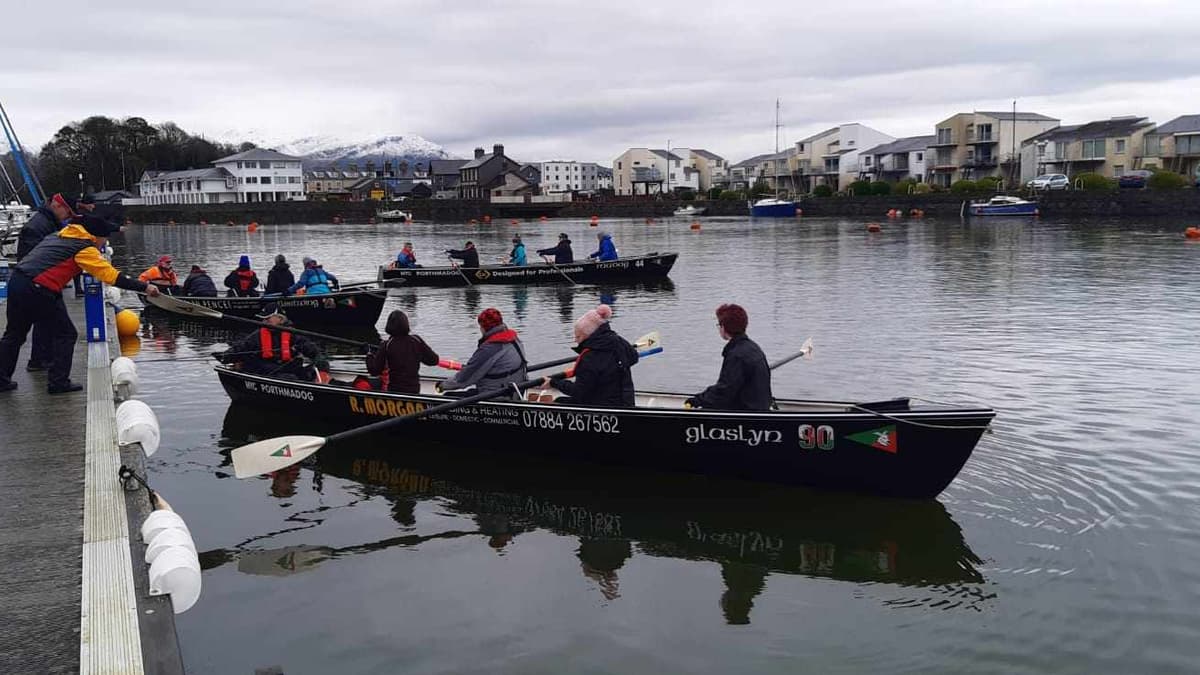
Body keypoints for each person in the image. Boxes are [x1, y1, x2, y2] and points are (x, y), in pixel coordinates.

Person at [0, 214, 160, 394]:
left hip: (18, 281)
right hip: (39, 288)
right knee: (66, 334)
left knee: (14, 334)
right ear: (97, 236)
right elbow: (112, 277)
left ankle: (2, 379)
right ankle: (58, 382)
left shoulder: (62, 235)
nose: (103, 244)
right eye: (104, 239)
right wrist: (145, 287)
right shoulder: (84, 247)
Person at [14, 193, 76, 372]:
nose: (68, 217)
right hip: (35, 281)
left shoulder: (47, 222)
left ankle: (40, 360)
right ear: (57, 205)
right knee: (18, 332)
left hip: (37, 281)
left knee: (39, 324)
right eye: (68, 212)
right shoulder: (37, 227)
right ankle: (44, 366)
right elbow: (36, 257)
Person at [545, 304, 638, 406]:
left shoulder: (589, 357)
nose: (575, 340)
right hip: (626, 402)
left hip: (601, 408)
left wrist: (554, 383)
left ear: (588, 335)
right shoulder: (620, 342)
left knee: (559, 401)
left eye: (578, 336)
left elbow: (578, 392)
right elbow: (634, 357)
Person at [685, 304, 773, 411]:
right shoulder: (753, 347)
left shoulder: (737, 355)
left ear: (723, 327)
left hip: (746, 414)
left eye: (719, 325)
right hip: (760, 406)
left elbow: (724, 391)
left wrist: (697, 400)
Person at [436, 308, 527, 399]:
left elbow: (464, 379)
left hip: (498, 396)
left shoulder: (489, 349)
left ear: (483, 327)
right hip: (517, 391)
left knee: (447, 397)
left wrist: (442, 386)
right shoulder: (515, 340)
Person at [222, 307, 328, 381]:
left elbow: (310, 348)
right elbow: (241, 347)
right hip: (268, 372)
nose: (264, 321)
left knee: (315, 369)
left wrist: (320, 360)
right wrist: (225, 356)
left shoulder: (293, 334)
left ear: (280, 319)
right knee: (288, 378)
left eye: (268, 318)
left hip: (290, 369)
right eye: (263, 319)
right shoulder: (258, 335)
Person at [366, 310, 439, 394]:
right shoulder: (417, 340)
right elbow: (434, 360)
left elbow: (374, 371)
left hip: (395, 391)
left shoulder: (387, 345)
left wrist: (369, 355)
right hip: (414, 390)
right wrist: (418, 355)